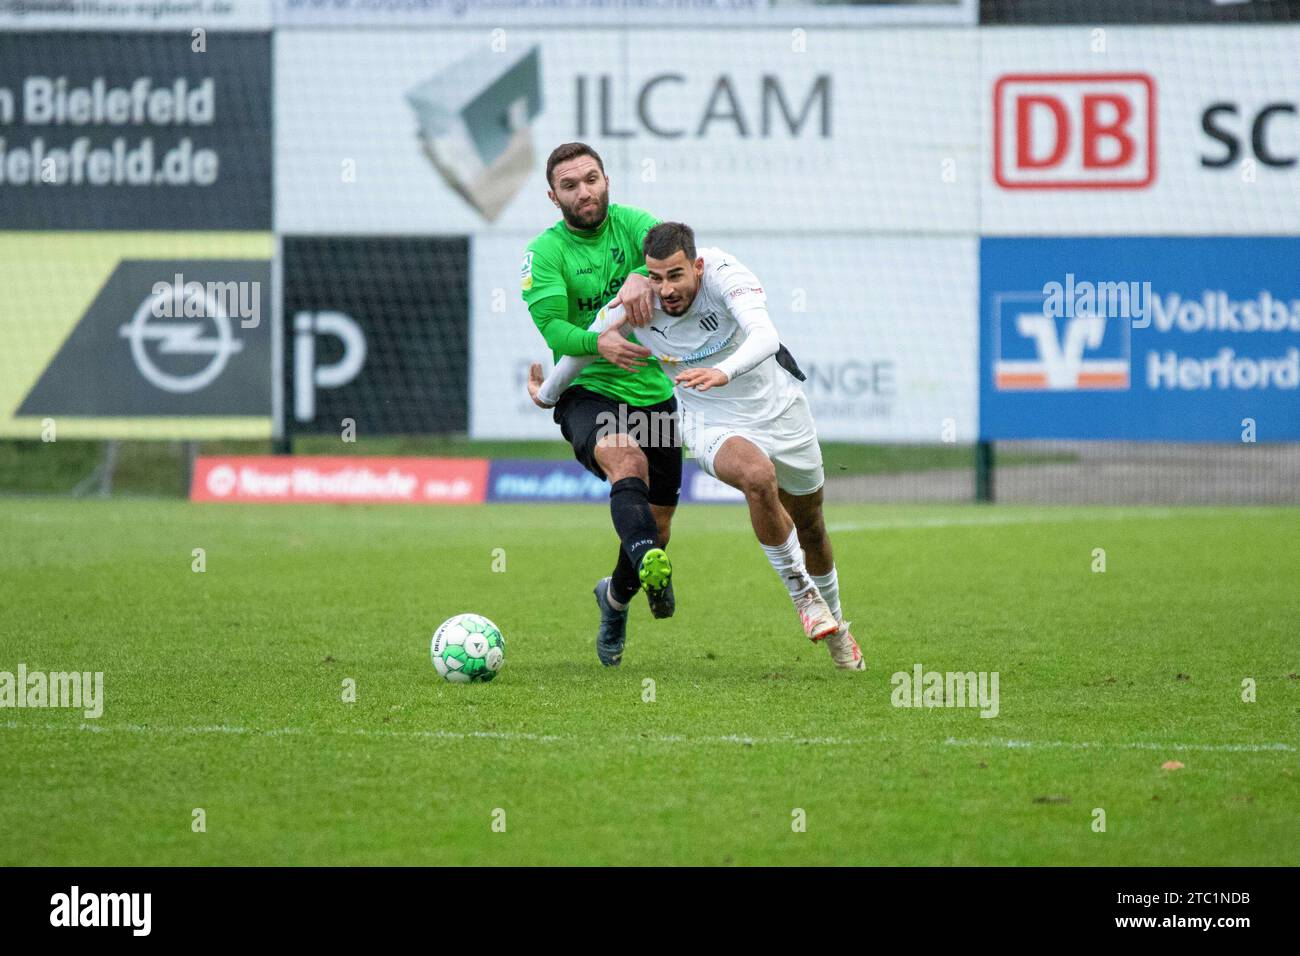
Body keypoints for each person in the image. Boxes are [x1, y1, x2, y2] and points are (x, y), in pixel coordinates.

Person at [529, 222, 865, 671]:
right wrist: (547, 394)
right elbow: (583, 353)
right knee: (757, 477)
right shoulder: (635, 303)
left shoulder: (726, 273)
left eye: (676, 276)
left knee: (812, 526)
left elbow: (765, 336)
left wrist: (723, 372)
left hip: (781, 411)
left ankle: (838, 627)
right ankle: (803, 596)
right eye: (656, 277)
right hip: (709, 420)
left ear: (698, 267)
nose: (666, 289)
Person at [520, 142, 679, 668]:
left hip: (654, 394)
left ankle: (613, 598)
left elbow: (672, 262)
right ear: (553, 196)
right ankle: (647, 558)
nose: (583, 191)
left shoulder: (636, 224)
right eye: (570, 185)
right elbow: (555, 330)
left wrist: (645, 273)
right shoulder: (544, 254)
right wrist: (599, 343)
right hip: (587, 389)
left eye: (591, 179)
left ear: (606, 179)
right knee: (625, 460)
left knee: (657, 523)